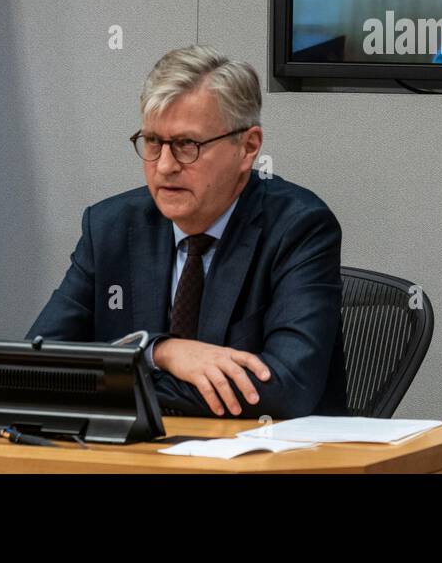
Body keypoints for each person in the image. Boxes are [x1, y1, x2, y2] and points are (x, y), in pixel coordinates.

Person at [27, 46, 348, 418]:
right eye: (152, 142)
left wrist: (120, 379)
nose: (164, 166)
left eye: (186, 145)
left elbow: (285, 390)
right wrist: (158, 352)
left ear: (248, 147)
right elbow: (38, 366)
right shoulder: (111, 227)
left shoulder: (300, 228)